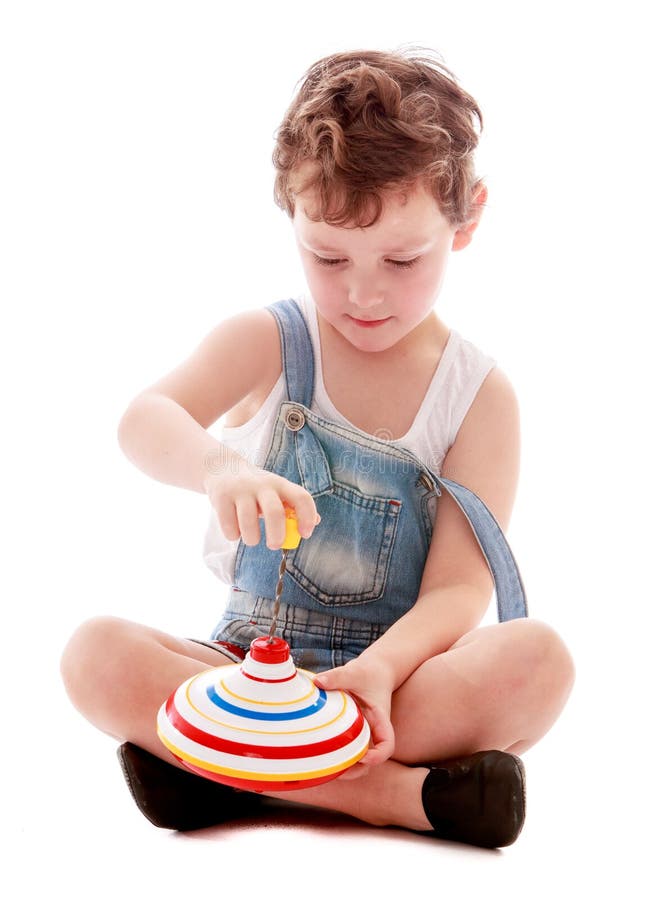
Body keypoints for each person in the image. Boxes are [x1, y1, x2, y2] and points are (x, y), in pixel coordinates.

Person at [60, 47, 575, 849]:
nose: (363, 294)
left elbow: (457, 591)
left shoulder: (478, 398)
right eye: (328, 257)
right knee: (93, 654)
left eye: (403, 260)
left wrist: (377, 671)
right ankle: (383, 796)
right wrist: (219, 465)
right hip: (241, 674)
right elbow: (144, 418)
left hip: (390, 688)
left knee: (540, 661)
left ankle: (231, 775)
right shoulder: (270, 340)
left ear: (467, 219)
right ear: (290, 215)